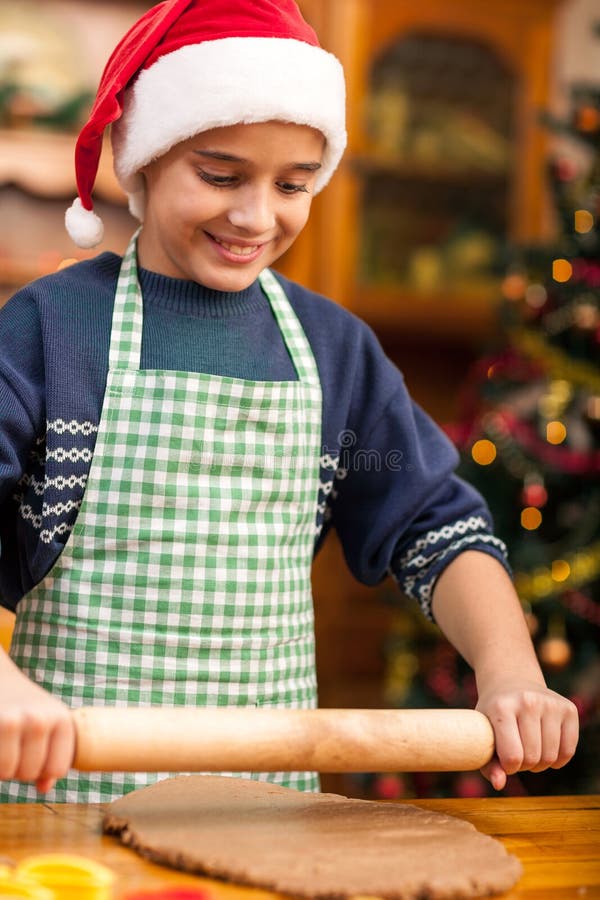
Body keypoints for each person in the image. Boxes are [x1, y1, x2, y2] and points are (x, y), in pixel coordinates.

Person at [0, 0, 578, 803]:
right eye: (220, 174)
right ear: (146, 155)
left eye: (293, 184)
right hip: (66, 805)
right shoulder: (52, 329)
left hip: (262, 809)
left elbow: (433, 523)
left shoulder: (333, 350)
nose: (254, 215)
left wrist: (512, 670)